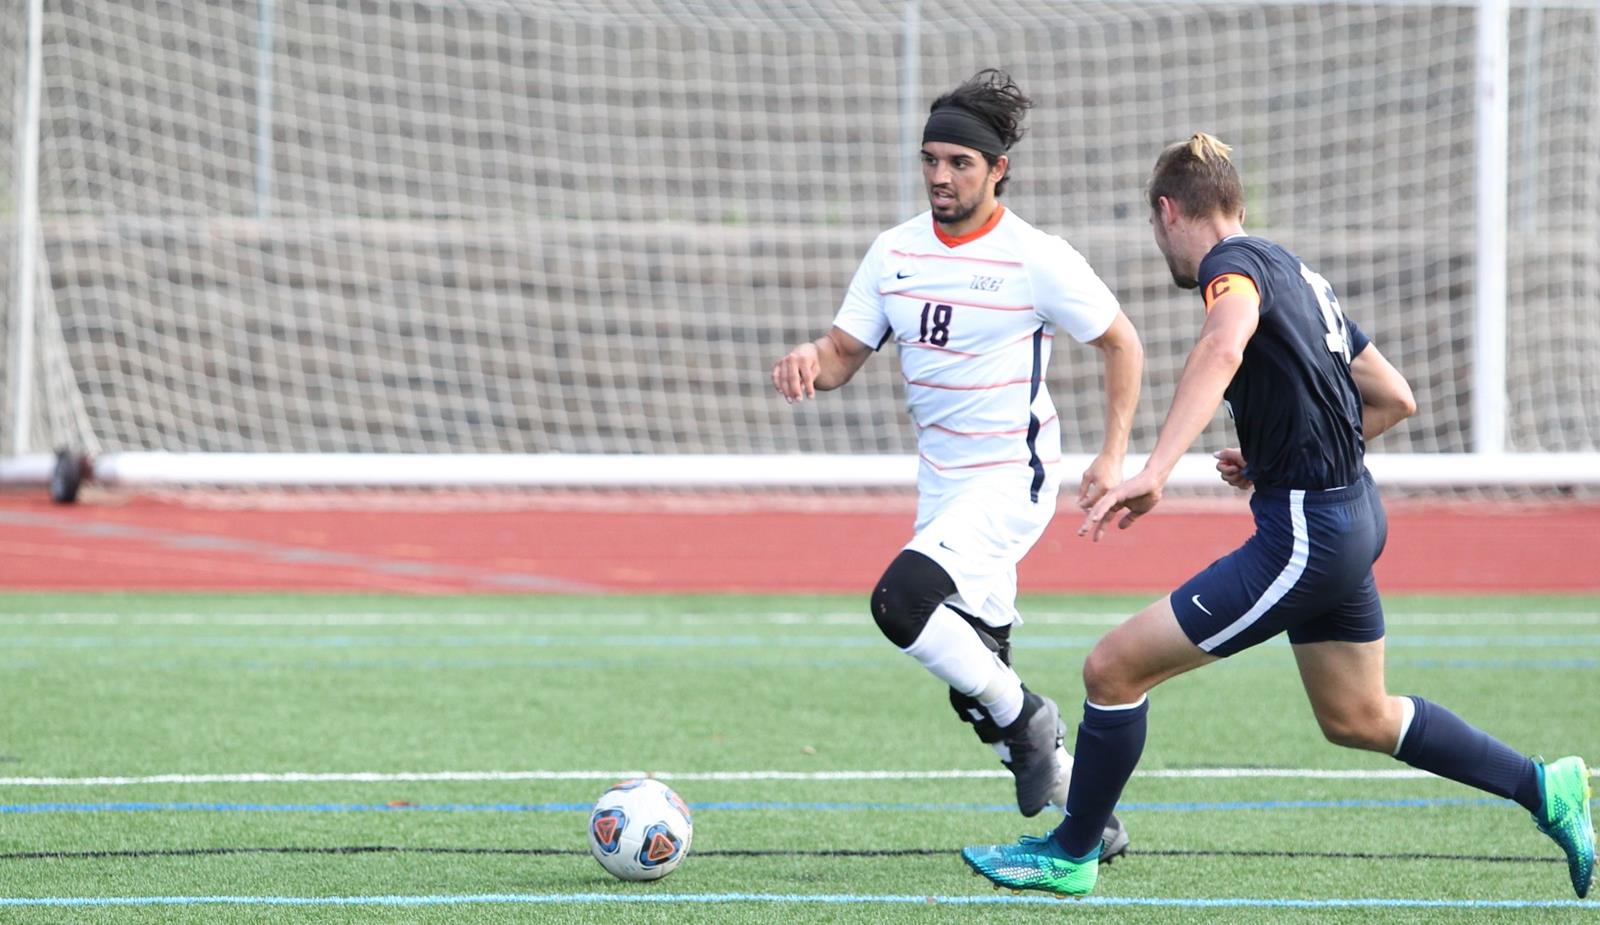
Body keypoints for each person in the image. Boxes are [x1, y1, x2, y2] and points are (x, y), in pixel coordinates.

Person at [961, 133, 1595, 898]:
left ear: (1168, 213)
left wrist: (1154, 470)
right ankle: (1546, 787)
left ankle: (1070, 850)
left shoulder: (1228, 273)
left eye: (1155, 226)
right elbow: (1395, 397)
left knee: (1111, 668)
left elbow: (1224, 345)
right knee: (1358, 714)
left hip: (1309, 534)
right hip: (1353, 513)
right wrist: (1270, 461)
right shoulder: (1297, 271)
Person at [771, 70, 1143, 854]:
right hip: (941, 484)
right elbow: (844, 353)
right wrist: (811, 354)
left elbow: (1121, 342)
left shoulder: (1034, 256)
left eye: (959, 163)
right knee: (976, 684)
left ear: (997, 168)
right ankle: (1090, 823)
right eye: (930, 160)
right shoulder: (894, 251)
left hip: (1013, 475)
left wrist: (1113, 455)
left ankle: (1032, 717)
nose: (940, 176)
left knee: (900, 603)